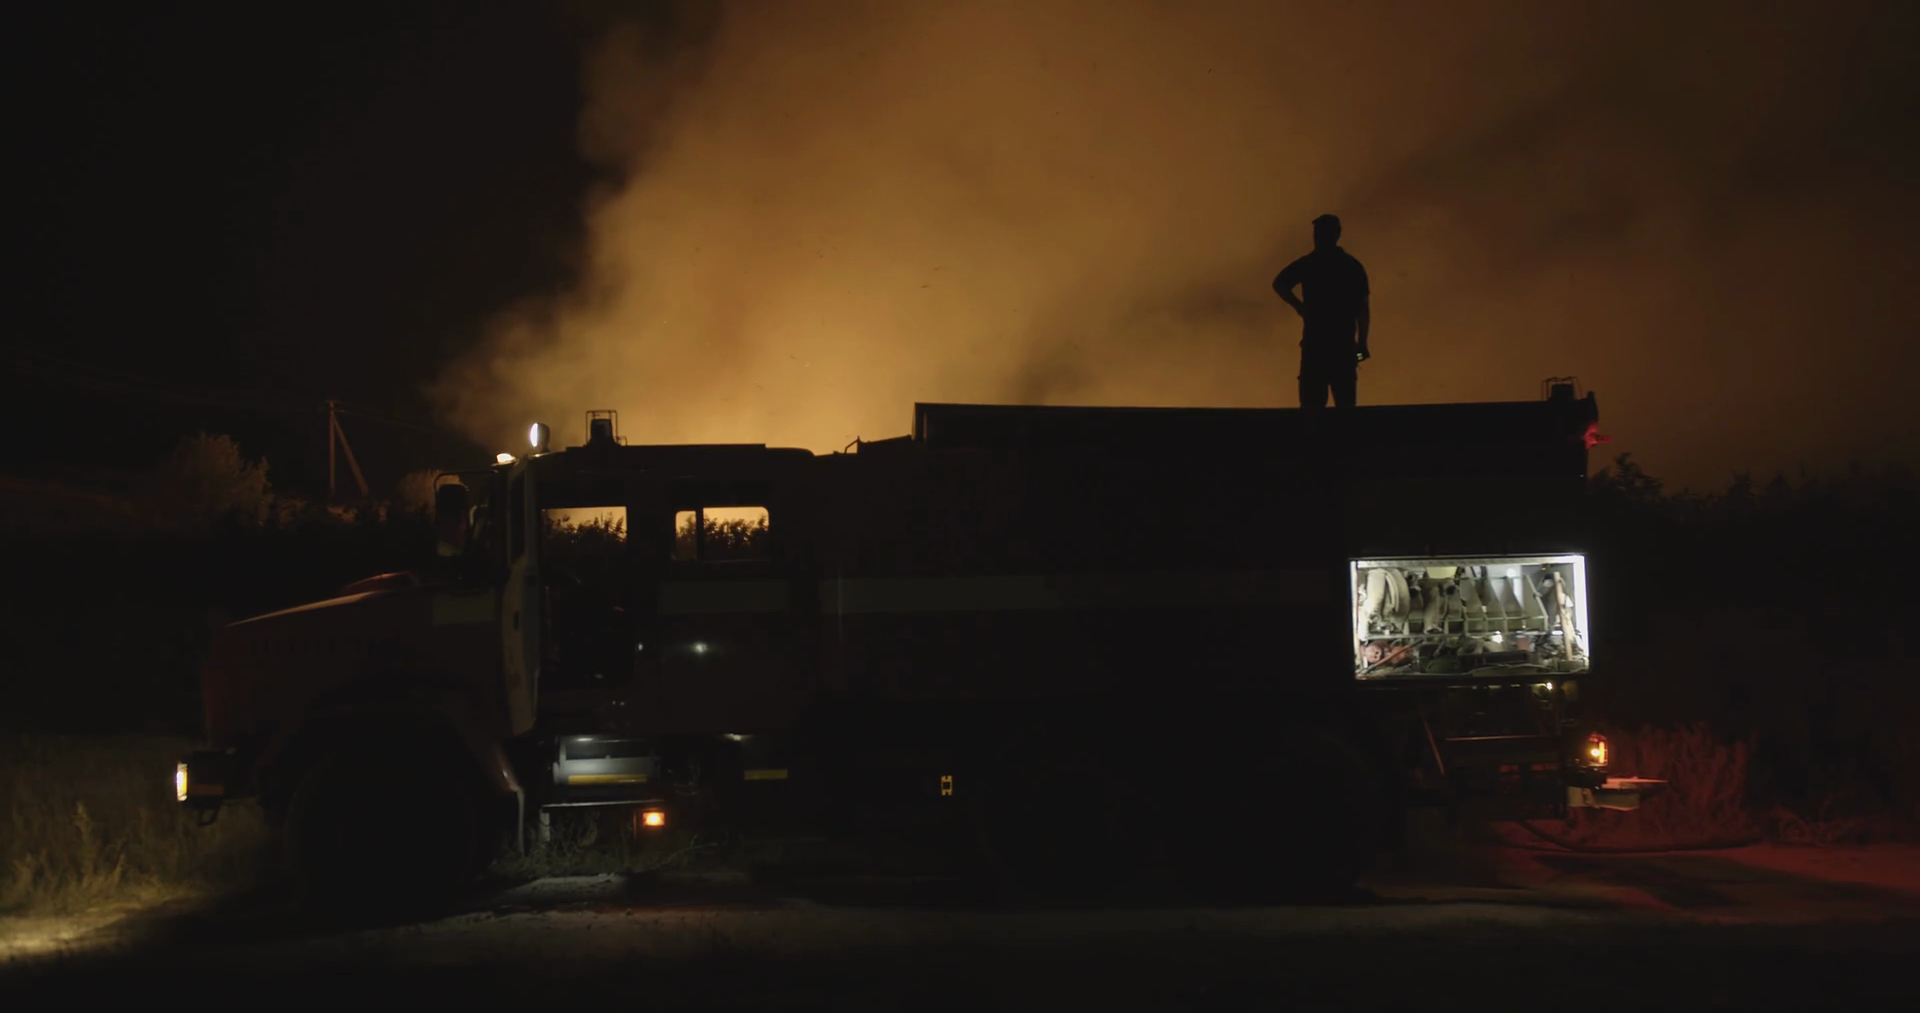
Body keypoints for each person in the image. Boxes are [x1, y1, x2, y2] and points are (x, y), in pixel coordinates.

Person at [1272, 214, 1371, 408]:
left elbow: (1279, 283)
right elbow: (1363, 309)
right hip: (1342, 346)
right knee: (1345, 407)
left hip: (1316, 346)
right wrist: (1362, 343)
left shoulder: (1310, 263)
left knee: (1312, 409)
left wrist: (1299, 307)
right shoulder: (1351, 266)